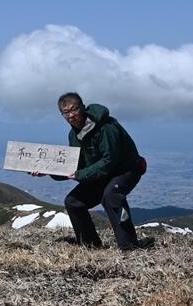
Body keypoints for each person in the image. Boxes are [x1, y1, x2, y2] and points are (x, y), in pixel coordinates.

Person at [32, 92, 152, 251]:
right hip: (102, 174)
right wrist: (48, 171)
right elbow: (74, 165)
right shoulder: (74, 135)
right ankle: (91, 246)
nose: (71, 115)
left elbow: (109, 160)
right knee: (73, 202)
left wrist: (82, 174)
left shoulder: (105, 127)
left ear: (82, 108)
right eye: (66, 112)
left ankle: (129, 247)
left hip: (126, 169)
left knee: (111, 197)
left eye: (74, 110)